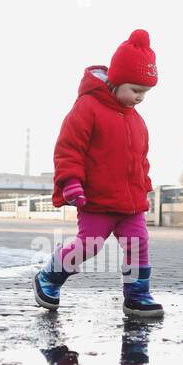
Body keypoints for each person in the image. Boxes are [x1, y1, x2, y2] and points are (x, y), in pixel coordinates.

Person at [34, 28, 163, 317]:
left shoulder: (138, 122)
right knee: (89, 245)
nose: (140, 98)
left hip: (129, 205)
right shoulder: (88, 107)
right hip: (95, 199)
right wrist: (70, 182)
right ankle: (50, 276)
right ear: (117, 81)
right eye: (136, 90)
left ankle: (137, 294)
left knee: (138, 243)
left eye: (146, 92)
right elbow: (69, 148)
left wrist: (144, 187)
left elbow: (140, 161)